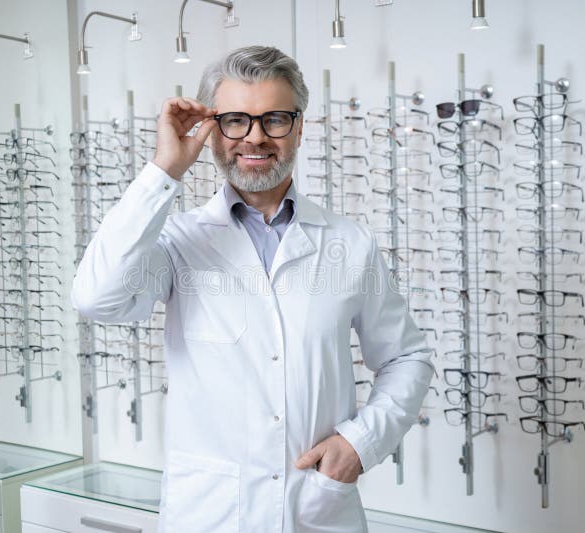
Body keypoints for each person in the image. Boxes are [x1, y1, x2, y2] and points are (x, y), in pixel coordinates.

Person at [71, 45, 434, 533]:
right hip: (211, 514)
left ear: (300, 127)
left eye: (275, 119)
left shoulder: (350, 244)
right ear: (211, 131)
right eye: (235, 120)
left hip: (316, 509)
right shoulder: (178, 243)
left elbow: (406, 357)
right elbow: (96, 297)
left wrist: (360, 443)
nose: (256, 138)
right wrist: (164, 170)